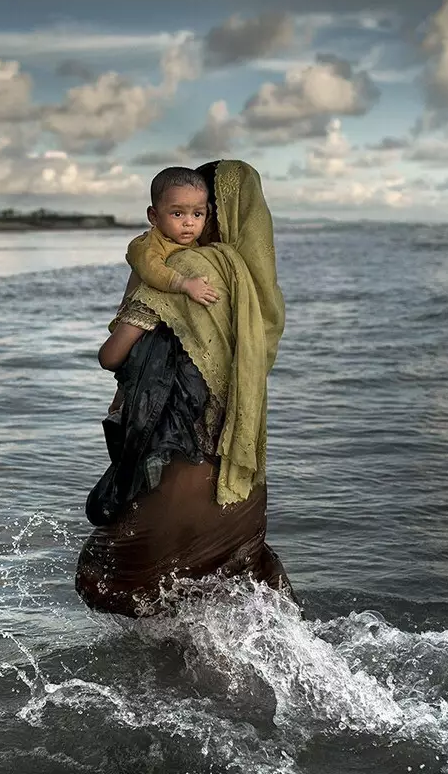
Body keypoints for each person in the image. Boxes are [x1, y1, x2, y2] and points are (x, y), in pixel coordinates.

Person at [76, 159, 294, 617]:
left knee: (114, 576)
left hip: (181, 457)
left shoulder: (187, 268)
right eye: (183, 212)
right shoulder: (247, 281)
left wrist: (142, 306)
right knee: (235, 596)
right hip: (236, 464)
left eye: (202, 210)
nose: (194, 220)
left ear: (216, 212)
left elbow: (112, 356)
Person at [119, 167, 220, 311]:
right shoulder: (146, 245)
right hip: (134, 316)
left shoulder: (195, 244)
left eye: (197, 214)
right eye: (178, 214)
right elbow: (153, 270)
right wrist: (184, 284)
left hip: (164, 315)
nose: (189, 223)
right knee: (123, 335)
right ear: (154, 216)